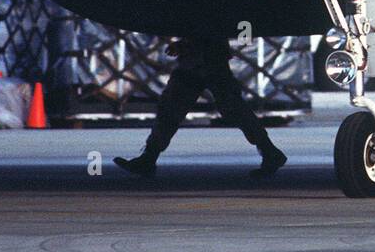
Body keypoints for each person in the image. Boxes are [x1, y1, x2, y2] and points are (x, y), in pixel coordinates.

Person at [114, 37, 287, 179]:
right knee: (179, 107)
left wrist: (188, 44)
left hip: (206, 56)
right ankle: (269, 151)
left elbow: (208, 22)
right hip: (203, 56)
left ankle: (148, 158)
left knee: (226, 107)